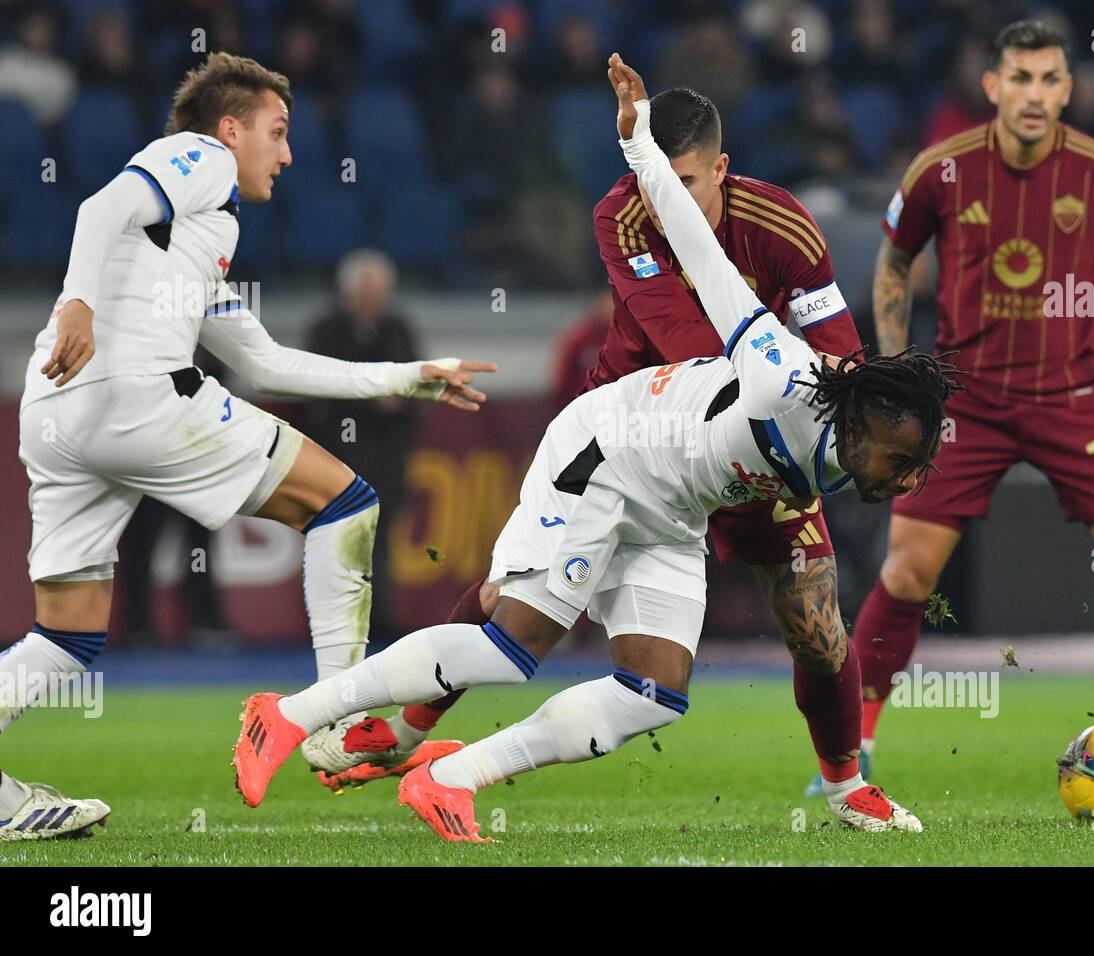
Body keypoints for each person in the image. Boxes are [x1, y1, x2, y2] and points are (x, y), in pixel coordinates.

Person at [232, 53, 960, 842]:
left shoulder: (842, 390)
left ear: (724, 169)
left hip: (685, 494)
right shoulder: (763, 355)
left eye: (913, 465)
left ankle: (451, 775)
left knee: (667, 687)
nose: (906, 480)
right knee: (512, 640)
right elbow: (700, 286)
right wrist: (637, 149)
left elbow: (842, 359)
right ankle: (301, 716)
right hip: (616, 447)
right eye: (903, 464)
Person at [329, 83, 875, 802]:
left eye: (681, 185)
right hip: (632, 440)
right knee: (511, 604)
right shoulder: (623, 211)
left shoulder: (784, 228)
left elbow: (844, 361)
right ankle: (403, 732)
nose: (664, 204)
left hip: (750, 449)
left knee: (816, 623)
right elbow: (686, 345)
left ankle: (845, 785)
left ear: (722, 171)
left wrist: (844, 416)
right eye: (656, 181)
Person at [0, 52, 492, 841]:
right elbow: (97, 207)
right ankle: (334, 723)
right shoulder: (200, 158)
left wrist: (406, 375)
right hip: (129, 389)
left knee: (65, 633)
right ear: (231, 130)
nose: (288, 154)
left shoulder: (194, 234)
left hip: (58, 409)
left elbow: (263, 360)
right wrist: (82, 305)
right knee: (347, 504)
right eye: (277, 132)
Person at [844, 20, 1094, 795]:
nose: (1034, 94)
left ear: (1068, 88)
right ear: (992, 87)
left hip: (1077, 399)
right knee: (906, 573)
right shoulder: (941, 169)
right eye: (1019, 78)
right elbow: (895, 265)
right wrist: (895, 370)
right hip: (969, 403)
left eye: (1049, 79)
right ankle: (853, 749)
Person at [306, 249, 420, 642]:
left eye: (380, 291)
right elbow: (320, 393)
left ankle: (380, 617)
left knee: (381, 544)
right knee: (336, 544)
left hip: (386, 459)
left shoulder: (398, 328)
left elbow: (413, 385)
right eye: (368, 291)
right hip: (342, 458)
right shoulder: (327, 330)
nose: (375, 299)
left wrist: (396, 401)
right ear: (349, 292)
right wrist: (376, 400)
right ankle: (334, 623)